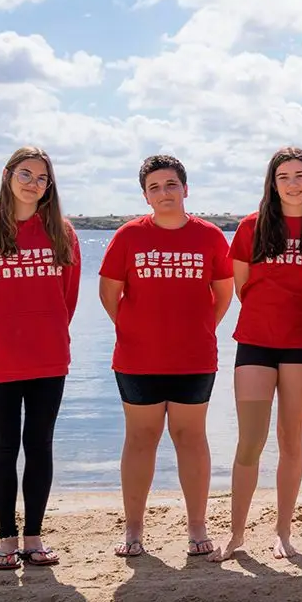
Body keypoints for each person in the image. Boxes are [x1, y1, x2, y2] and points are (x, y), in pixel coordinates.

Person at [0, 146, 81, 570]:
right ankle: (7, 540)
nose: (33, 184)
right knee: (4, 446)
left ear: (50, 186)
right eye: (26, 174)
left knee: (39, 444)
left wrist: (47, 330)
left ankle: (34, 538)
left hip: (48, 357)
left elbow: (68, 297)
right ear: (8, 175)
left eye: (42, 178)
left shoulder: (61, 231)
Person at [99, 155, 234, 557]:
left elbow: (223, 294)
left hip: (194, 358)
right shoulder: (128, 237)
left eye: (171, 184)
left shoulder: (209, 236)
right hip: (137, 359)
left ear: (185, 189)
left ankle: (196, 527)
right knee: (141, 439)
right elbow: (109, 295)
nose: (164, 193)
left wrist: (199, 329)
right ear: (145, 195)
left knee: (190, 438)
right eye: (154, 187)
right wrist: (138, 330)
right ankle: (134, 530)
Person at [211, 147, 302, 562]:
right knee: (250, 440)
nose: (292, 183)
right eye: (283, 176)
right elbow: (243, 286)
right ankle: (236, 535)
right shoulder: (252, 227)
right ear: (273, 182)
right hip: (256, 342)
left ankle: (284, 532)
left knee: (291, 437)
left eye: (300, 175)